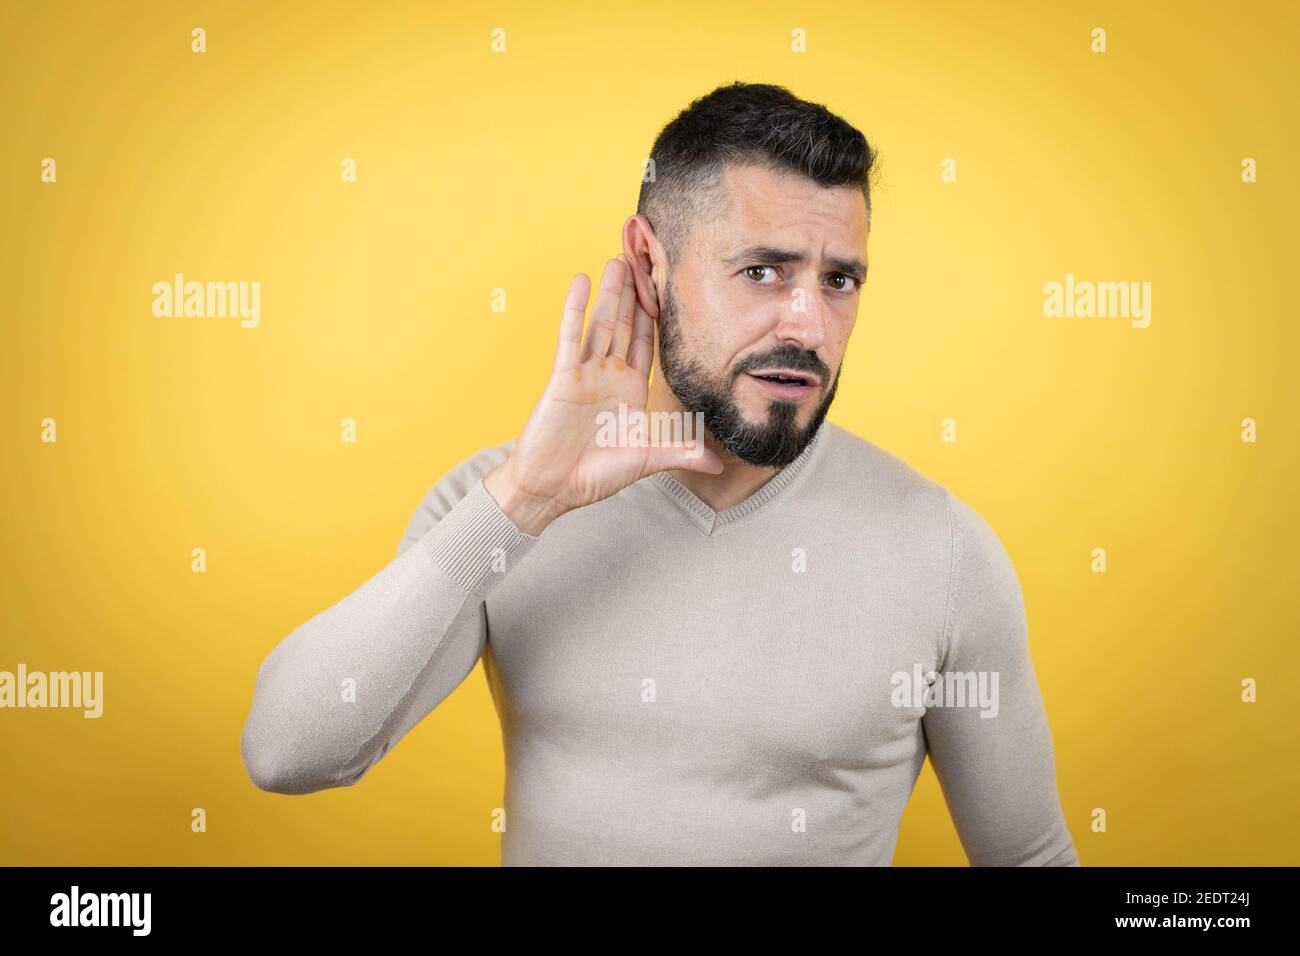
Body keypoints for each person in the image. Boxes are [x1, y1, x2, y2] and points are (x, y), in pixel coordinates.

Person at [240, 81, 1079, 866]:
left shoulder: (943, 553)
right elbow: (288, 752)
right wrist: (527, 501)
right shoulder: (501, 507)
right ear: (649, 265)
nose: (810, 324)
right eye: (763, 271)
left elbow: (1031, 859)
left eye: (840, 281)